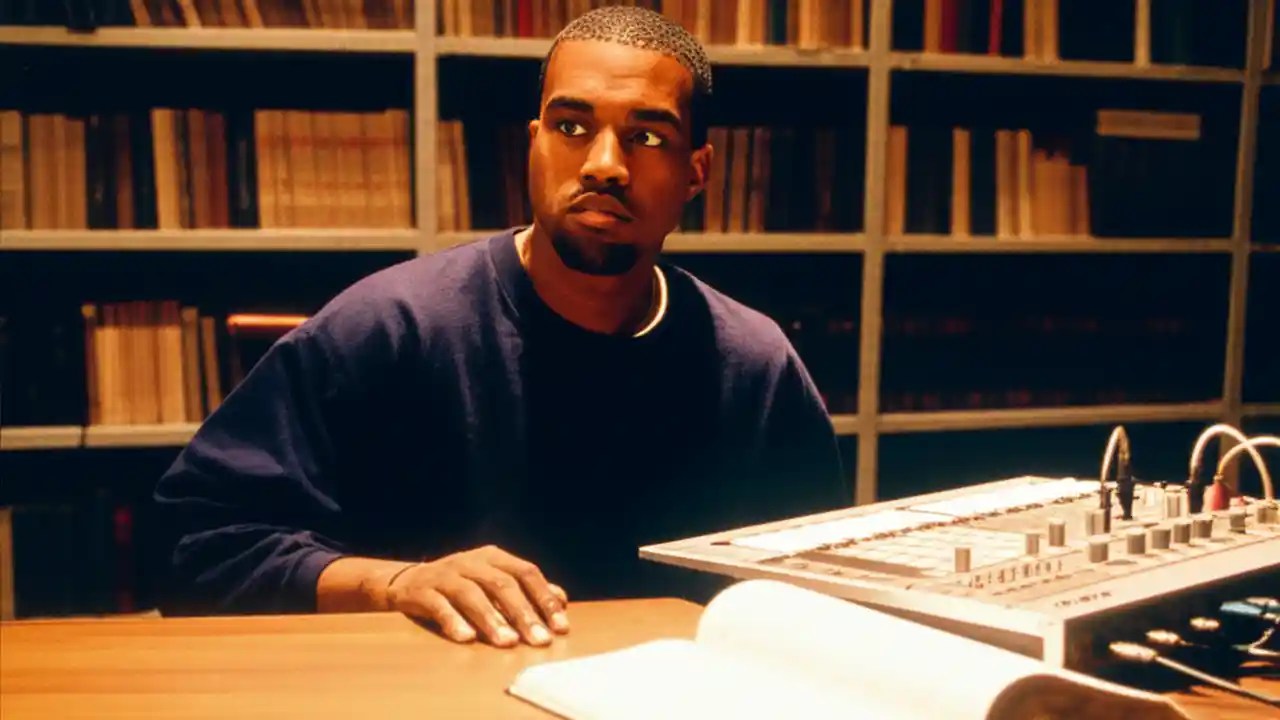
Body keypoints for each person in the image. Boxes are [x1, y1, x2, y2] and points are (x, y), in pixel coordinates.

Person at [153, 5, 850, 650]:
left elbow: (817, 601)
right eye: (571, 127)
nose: (604, 164)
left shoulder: (756, 368)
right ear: (534, 145)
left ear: (697, 172)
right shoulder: (393, 329)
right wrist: (393, 583)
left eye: (646, 136)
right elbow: (193, 544)